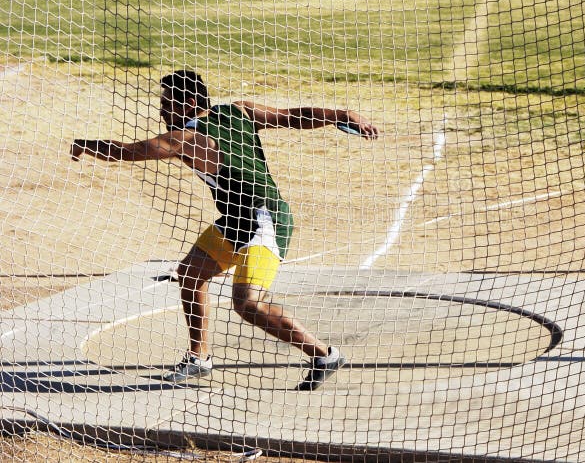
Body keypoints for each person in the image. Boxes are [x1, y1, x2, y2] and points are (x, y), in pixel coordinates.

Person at [70, 70, 380, 389]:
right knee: (191, 274)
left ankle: (324, 354)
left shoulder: (184, 139)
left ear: (189, 103)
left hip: (264, 218)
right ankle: (199, 357)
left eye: (167, 104)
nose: (162, 111)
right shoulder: (240, 110)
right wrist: (342, 115)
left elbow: (127, 151)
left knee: (248, 304)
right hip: (234, 219)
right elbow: (293, 116)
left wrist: (85, 145)